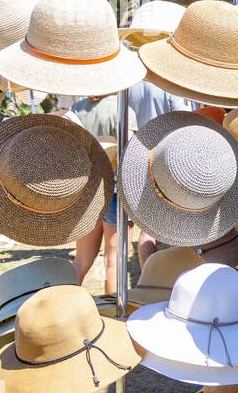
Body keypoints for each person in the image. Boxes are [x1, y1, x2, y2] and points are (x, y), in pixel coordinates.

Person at [68, 94, 136, 296]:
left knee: (81, 260)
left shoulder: (77, 109)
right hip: (114, 190)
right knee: (114, 259)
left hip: (85, 189)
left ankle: (63, 306)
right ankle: (112, 312)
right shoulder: (121, 109)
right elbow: (130, 152)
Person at [126, 79, 190, 266]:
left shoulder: (132, 84)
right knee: (176, 223)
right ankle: (169, 276)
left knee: (149, 225)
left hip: (141, 155)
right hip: (170, 159)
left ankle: (149, 275)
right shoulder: (171, 85)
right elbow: (185, 122)